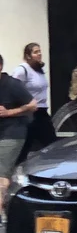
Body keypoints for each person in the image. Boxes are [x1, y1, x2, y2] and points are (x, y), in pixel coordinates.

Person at [0, 54, 37, 219]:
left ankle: (2, 214)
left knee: (1, 172)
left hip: (13, 132)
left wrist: (10, 112)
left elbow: (33, 105)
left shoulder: (12, 84)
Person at [11, 42, 56, 159]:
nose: (39, 54)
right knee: (25, 147)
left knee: (52, 144)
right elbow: (13, 88)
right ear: (28, 56)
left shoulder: (39, 69)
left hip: (42, 111)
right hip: (29, 113)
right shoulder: (22, 70)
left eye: (40, 51)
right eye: (36, 52)